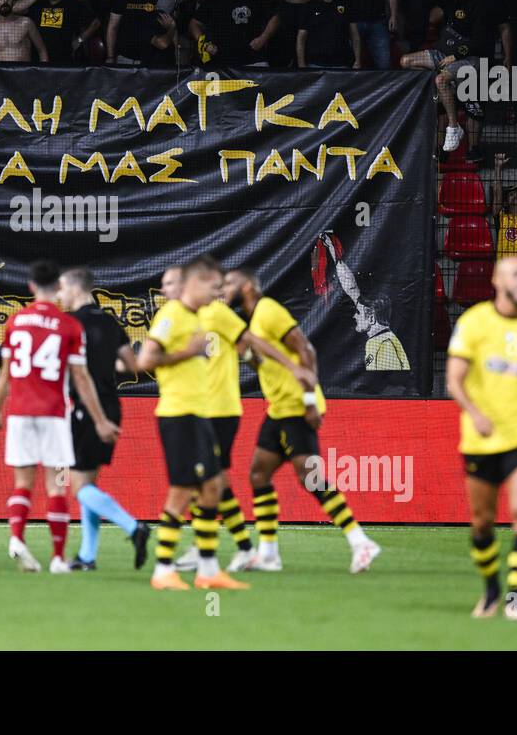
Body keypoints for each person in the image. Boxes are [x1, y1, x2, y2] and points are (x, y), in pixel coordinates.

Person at [224, 267, 380, 574]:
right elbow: (262, 364)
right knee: (258, 474)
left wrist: (310, 401)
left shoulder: (268, 311)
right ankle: (268, 554)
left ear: (247, 286)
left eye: (230, 281)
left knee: (311, 479)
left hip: (297, 405)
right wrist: (246, 353)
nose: (224, 287)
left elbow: (305, 349)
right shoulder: (253, 321)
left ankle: (361, 542)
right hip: (279, 409)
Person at [163, 264, 317, 575]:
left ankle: (239, 547)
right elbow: (245, 348)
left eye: (171, 283)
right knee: (208, 479)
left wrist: (288, 365)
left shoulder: (216, 314)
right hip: (198, 406)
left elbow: (250, 340)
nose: (166, 289)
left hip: (220, 407)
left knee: (212, 478)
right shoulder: (181, 317)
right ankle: (225, 546)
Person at [446, 256, 517, 620]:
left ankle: (516, 599)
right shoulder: (474, 322)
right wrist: (476, 413)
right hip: (480, 439)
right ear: (496, 279)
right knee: (482, 522)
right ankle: (492, 590)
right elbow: (454, 380)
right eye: (516, 273)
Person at [0, 259, 118, 574]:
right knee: (57, 484)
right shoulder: (69, 325)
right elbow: (82, 378)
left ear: (31, 286)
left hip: (19, 413)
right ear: (58, 288)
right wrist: (100, 420)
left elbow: (5, 373)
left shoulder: (15, 322)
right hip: (54, 414)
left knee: (22, 483)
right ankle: (58, 558)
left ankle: (17, 538)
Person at [136, 256, 249, 591]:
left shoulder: (196, 316)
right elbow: (145, 359)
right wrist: (188, 353)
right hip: (179, 414)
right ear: (196, 283)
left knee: (212, 486)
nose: (217, 292)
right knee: (183, 490)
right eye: (213, 286)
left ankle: (209, 570)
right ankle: (163, 570)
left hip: (199, 414)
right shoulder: (172, 315)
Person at [57, 266, 149, 571]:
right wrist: (106, 365)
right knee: (89, 482)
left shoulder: (70, 324)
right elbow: (133, 365)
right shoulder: (110, 321)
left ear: (75, 288)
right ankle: (87, 556)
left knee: (80, 486)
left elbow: (75, 373)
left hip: (88, 407)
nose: (60, 295)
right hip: (112, 405)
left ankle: (133, 527)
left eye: (62, 288)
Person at [399, 0, 510, 154]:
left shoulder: (479, 4)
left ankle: (454, 126)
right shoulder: (449, 0)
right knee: (405, 61)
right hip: (444, 56)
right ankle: (441, 90)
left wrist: (456, 56)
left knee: (444, 83)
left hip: (469, 60)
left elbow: (479, 41)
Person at [317, 231, 410, 370]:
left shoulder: (385, 345)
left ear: (372, 318)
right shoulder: (378, 340)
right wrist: (332, 250)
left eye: (358, 312)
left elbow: (389, 387)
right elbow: (352, 288)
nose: (354, 315)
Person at [188, 0, 279, 66]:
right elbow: (194, 23)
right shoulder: (212, 1)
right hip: (222, 61)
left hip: (252, 59)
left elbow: (275, 18)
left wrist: (263, 38)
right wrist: (203, 42)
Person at [12, 0, 98, 64]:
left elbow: (95, 23)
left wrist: (79, 40)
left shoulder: (72, 5)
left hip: (63, 59)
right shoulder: (37, 3)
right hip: (37, 58)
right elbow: (13, 8)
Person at [106, 0, 176, 66]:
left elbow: (171, 26)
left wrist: (176, 61)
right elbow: (112, 27)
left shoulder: (162, 0)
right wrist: (110, 57)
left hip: (153, 61)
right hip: (127, 59)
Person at [296, 0, 360, 68]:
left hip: (342, 65)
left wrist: (358, 61)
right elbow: (301, 38)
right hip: (315, 65)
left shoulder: (346, 4)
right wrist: (301, 65)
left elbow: (355, 36)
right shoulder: (309, 6)